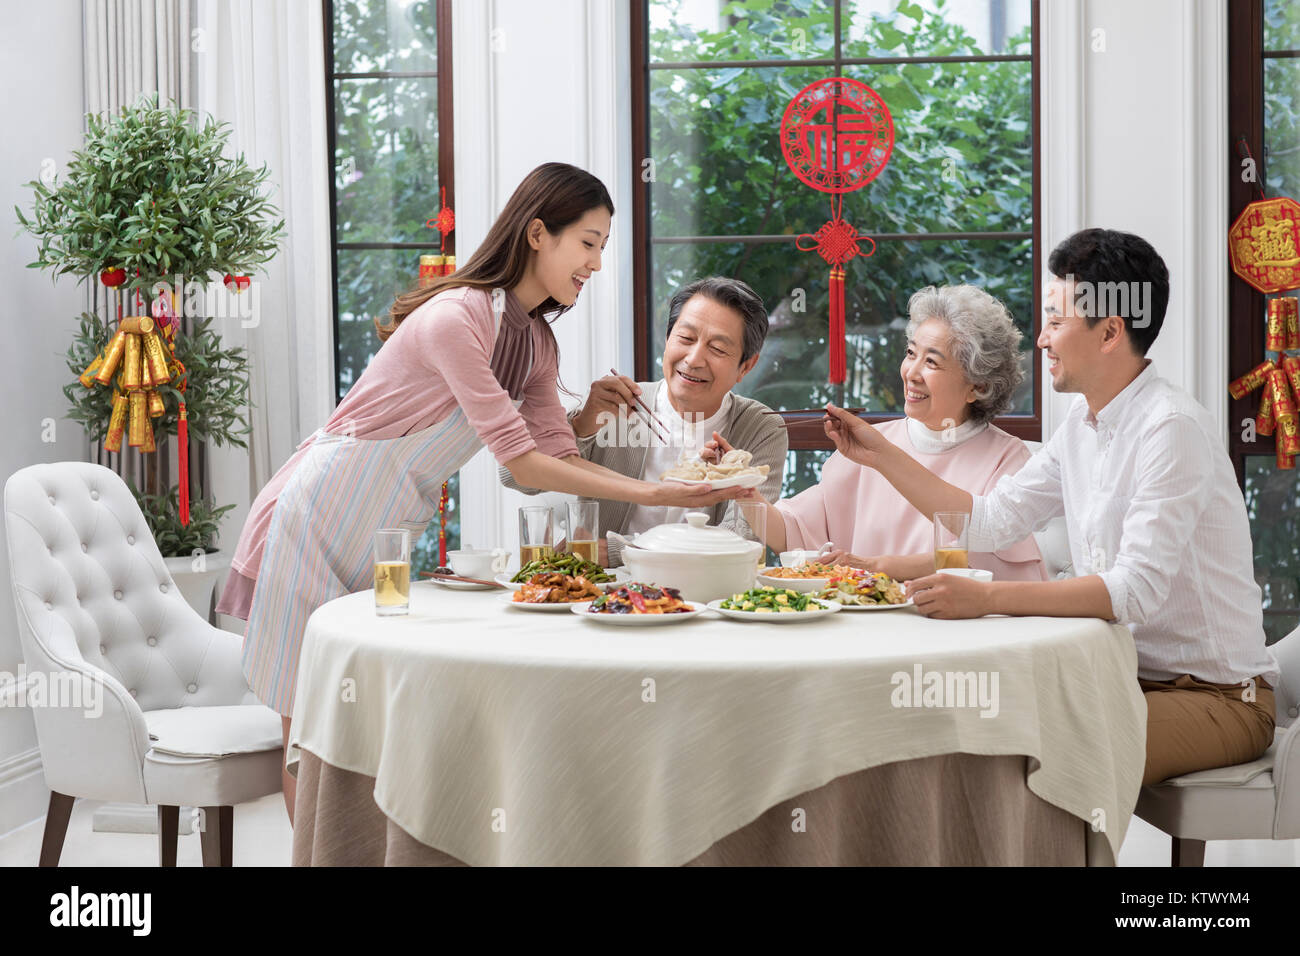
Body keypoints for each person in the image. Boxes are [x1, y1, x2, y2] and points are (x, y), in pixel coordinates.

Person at [215, 163, 742, 820]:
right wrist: (661, 496)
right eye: (588, 242)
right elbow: (519, 459)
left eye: (604, 246)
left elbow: (550, 456)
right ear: (538, 234)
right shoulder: (456, 317)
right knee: (314, 725)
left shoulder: (536, 342)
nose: (597, 263)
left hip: (387, 528)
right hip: (319, 512)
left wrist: (586, 422)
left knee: (366, 713)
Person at [817, 228, 1279, 786]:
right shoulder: (1082, 428)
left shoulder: (1170, 428)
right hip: (1119, 674)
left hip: (1220, 699)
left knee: (1031, 761)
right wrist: (881, 455)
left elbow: (1132, 590)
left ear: (1110, 331)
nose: (1041, 340)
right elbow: (988, 521)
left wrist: (988, 597)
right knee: (966, 728)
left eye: (1056, 322)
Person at [720, 283, 1045, 582]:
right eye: (910, 353)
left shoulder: (1008, 459)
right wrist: (742, 489)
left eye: (931, 362)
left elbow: (979, 564)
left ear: (978, 385)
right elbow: (792, 532)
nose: (911, 373)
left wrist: (875, 567)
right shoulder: (868, 445)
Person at [502, 276, 787, 564]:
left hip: (702, 596)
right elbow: (514, 476)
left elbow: (739, 543)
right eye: (685, 338)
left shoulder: (762, 426)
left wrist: (623, 552)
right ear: (666, 339)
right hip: (602, 595)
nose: (694, 359)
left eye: (717, 349)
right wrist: (581, 426)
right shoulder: (616, 402)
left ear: (746, 366)